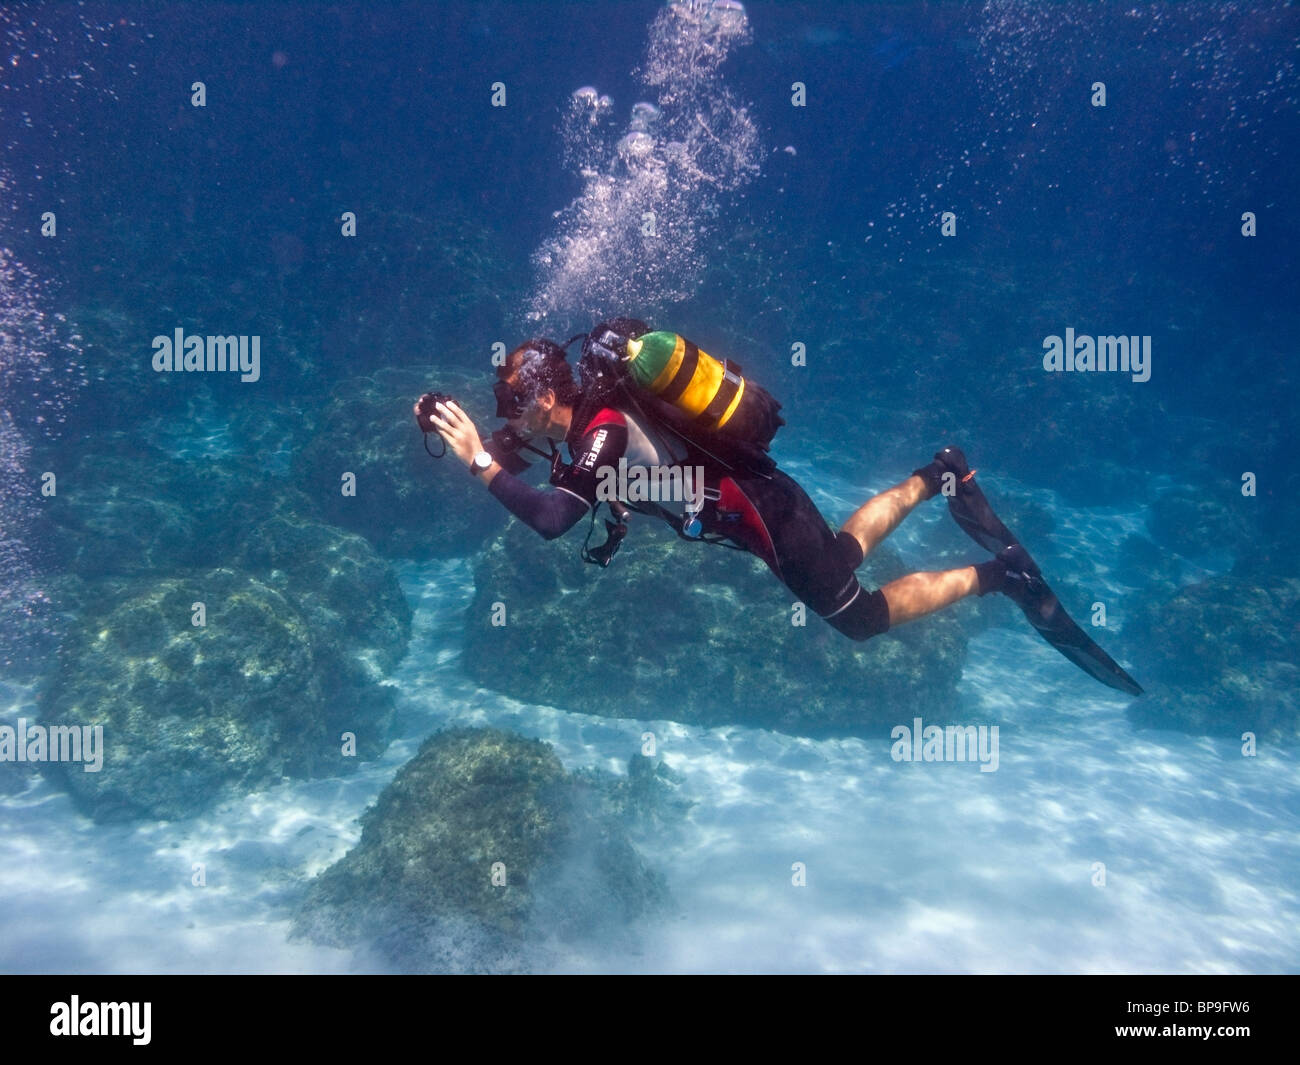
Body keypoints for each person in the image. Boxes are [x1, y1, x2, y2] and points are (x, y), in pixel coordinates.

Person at [421, 327, 1036, 641]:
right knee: (844, 554)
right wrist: (455, 429)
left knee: (860, 619)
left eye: (512, 406)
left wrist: (479, 462)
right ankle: (940, 474)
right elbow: (513, 451)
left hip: (765, 515)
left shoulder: (601, 432)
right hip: (764, 503)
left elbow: (552, 520)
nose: (507, 421)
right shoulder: (582, 420)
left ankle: (999, 575)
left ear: (547, 396)